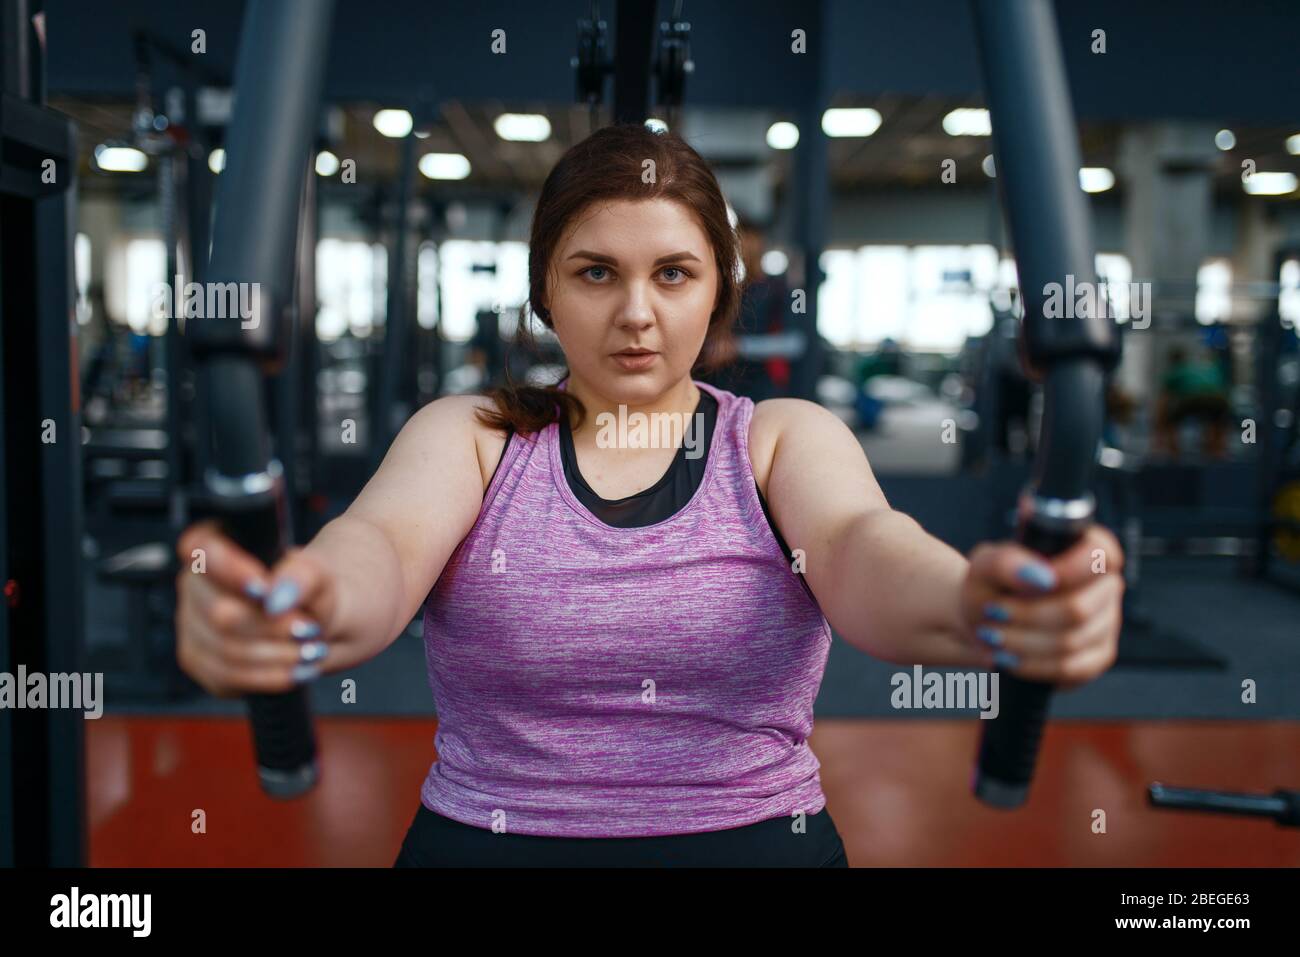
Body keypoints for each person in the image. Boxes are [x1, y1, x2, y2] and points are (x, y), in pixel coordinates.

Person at [175, 125, 1125, 868]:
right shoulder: (472, 436)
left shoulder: (781, 440)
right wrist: (298, 602)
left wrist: (978, 601)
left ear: (717, 290)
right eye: (596, 273)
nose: (637, 313)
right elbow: (375, 551)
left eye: (673, 273)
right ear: (547, 289)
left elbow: (863, 548)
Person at [1153, 343, 1230, 459]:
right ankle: (1217, 451)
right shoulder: (1205, 368)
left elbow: (1163, 402)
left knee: (1171, 422)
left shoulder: (1175, 371)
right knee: (1217, 420)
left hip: (1194, 398)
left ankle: (1174, 453)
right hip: (1217, 399)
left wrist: (1160, 427)